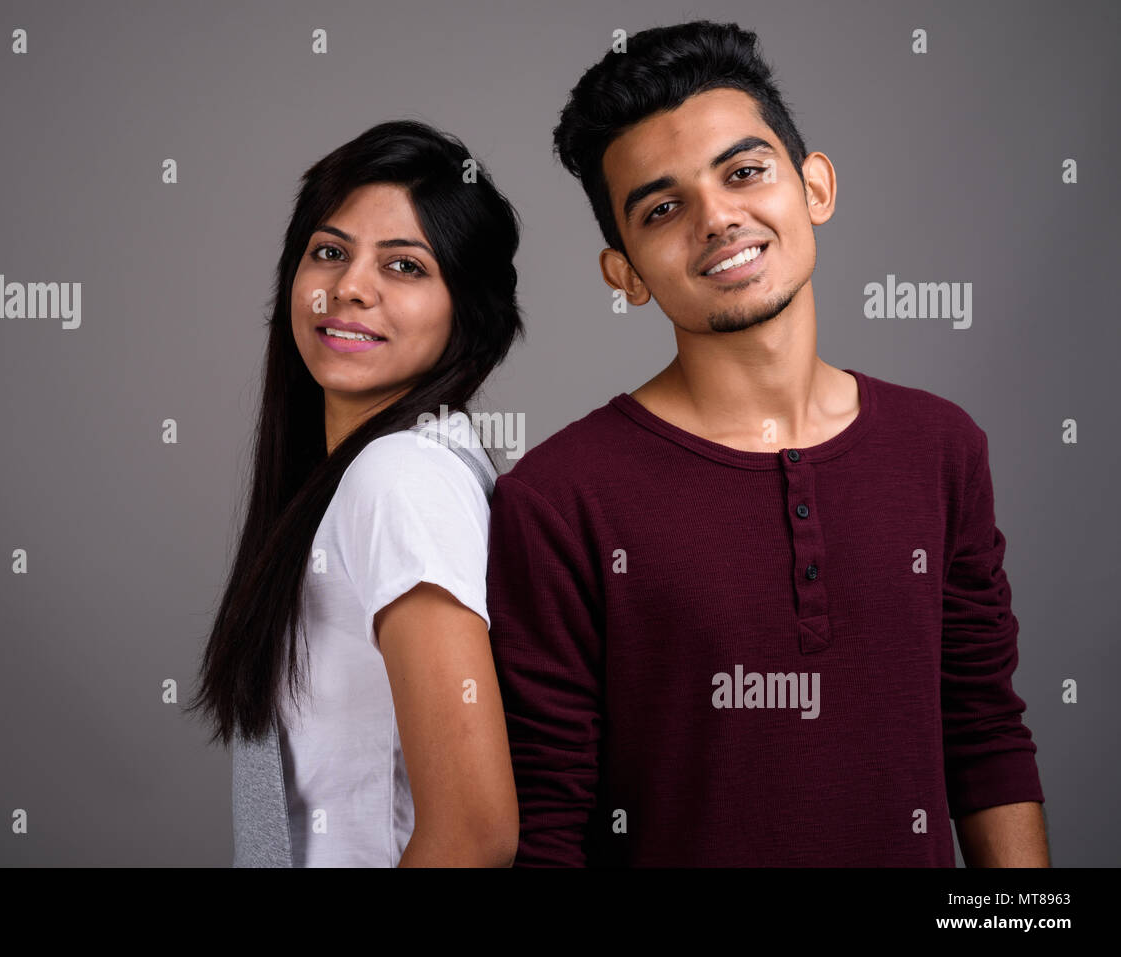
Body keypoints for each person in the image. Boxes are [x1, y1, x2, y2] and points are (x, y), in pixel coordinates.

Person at [484, 20, 1049, 866]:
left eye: (745, 171)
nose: (718, 218)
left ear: (814, 187)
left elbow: (985, 734)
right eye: (664, 207)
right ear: (626, 273)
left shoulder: (942, 448)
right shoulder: (559, 498)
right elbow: (551, 820)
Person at [187, 119, 524, 867]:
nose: (349, 288)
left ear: (467, 313)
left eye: (405, 267)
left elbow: (475, 832)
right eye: (330, 252)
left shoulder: (399, 476)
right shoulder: (376, 470)